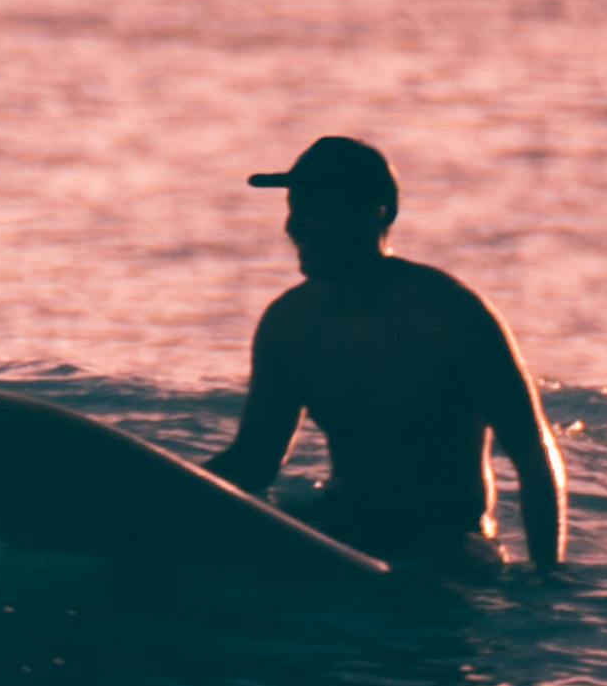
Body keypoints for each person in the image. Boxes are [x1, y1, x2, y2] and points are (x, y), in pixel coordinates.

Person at [208, 134, 565, 572]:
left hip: (447, 541)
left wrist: (548, 577)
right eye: (295, 208)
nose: (296, 227)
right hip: (342, 526)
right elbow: (255, 461)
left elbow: (531, 450)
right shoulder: (288, 324)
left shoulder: (450, 315)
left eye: (318, 209)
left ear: (378, 213)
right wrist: (163, 492)